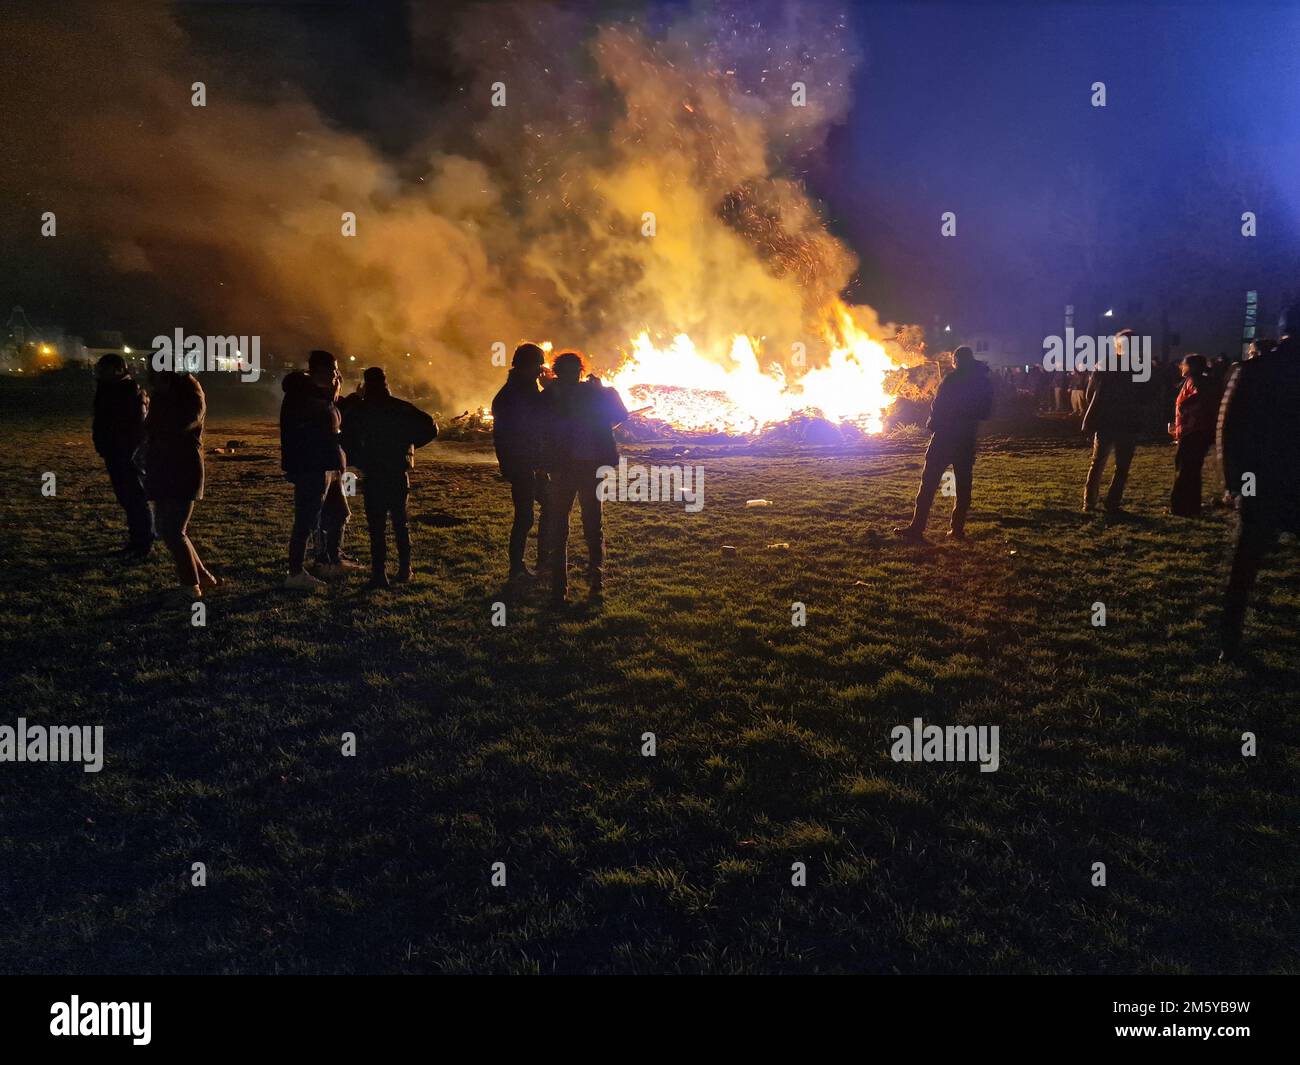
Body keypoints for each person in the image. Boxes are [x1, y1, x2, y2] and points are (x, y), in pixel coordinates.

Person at [1216, 302, 1300, 662]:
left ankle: (1228, 642)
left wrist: (1235, 484)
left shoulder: (1255, 370)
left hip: (1261, 481)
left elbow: (1229, 429)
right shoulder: (1256, 370)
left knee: (1245, 565)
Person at [541, 351, 629, 604]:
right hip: (590, 466)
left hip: (561, 468)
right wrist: (604, 389)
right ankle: (596, 578)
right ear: (580, 370)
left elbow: (539, 427)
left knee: (559, 527)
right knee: (593, 524)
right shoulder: (594, 393)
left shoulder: (549, 396)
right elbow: (621, 415)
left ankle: (559, 587)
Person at [339, 366, 437, 588]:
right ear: (386, 383)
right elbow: (431, 427)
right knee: (400, 523)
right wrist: (409, 446)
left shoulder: (361, 410)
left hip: (373, 472)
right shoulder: (400, 407)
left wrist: (359, 456)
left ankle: (379, 573)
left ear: (366, 384)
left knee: (377, 525)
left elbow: (344, 433)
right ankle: (404, 569)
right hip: (396, 471)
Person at [895, 346, 994, 542]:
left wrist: (934, 423)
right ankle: (957, 530)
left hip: (945, 438)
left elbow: (938, 405)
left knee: (929, 483)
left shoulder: (952, 379)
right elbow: (985, 411)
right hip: (965, 439)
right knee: (963, 486)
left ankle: (917, 527)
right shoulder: (983, 382)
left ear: (956, 360)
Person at [144, 369, 219, 599]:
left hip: (183, 468)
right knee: (172, 530)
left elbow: (184, 423)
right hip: (164, 467)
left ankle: (190, 586)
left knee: (174, 531)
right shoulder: (162, 395)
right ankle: (202, 577)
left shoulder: (189, 392)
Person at [281, 349, 350, 592]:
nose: (336, 375)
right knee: (306, 521)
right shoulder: (301, 394)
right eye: (333, 370)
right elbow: (319, 421)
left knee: (339, 512)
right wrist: (332, 396)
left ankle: (330, 560)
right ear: (319, 370)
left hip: (328, 464)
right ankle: (295, 572)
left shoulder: (320, 395)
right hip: (311, 465)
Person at [491, 343, 553, 580]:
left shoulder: (517, 390)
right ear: (530, 366)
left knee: (547, 506)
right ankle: (521, 566)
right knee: (526, 515)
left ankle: (540, 561)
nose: (540, 371)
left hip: (526, 464)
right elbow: (537, 422)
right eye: (538, 366)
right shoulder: (518, 394)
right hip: (524, 464)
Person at [92, 353, 154, 558]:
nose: (100, 373)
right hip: (115, 451)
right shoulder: (112, 389)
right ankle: (137, 538)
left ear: (117, 370)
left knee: (134, 498)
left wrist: (128, 451)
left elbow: (136, 428)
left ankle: (143, 541)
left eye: (104, 369)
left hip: (125, 453)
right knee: (127, 498)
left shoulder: (129, 392)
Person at [1081, 329, 1144, 514]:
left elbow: (1090, 392)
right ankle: (1112, 502)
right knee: (1122, 466)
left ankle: (1089, 501)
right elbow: (1146, 395)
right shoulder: (1138, 366)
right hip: (1127, 421)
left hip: (1106, 420)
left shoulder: (1104, 364)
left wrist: (1095, 412)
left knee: (1098, 462)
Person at [1167, 354, 1218, 517]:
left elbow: (1200, 396)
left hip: (1192, 432)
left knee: (1184, 469)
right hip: (1196, 431)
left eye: (1184, 364)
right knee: (1192, 470)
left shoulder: (1195, 381)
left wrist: (1184, 405)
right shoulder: (1199, 380)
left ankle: (1180, 508)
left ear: (1192, 367)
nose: (1181, 367)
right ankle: (1192, 506)